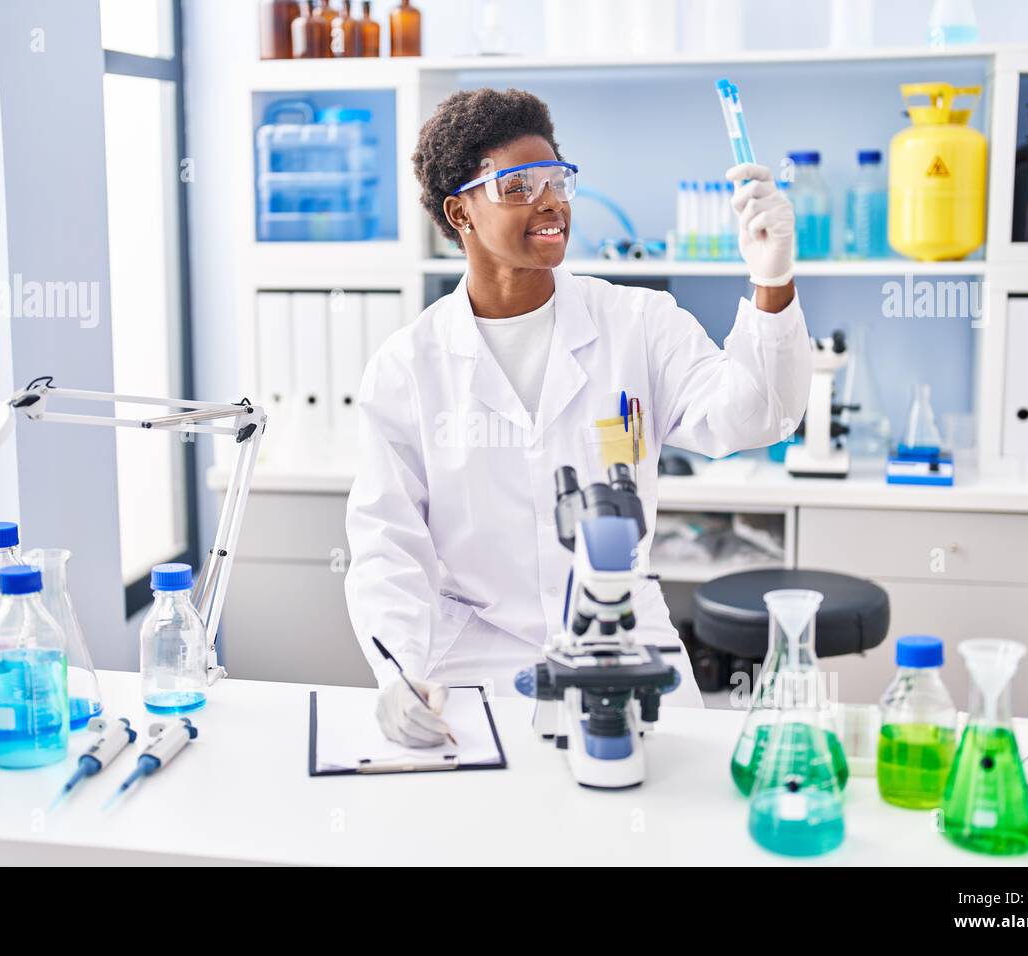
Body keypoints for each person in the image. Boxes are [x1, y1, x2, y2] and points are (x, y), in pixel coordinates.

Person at [345, 88, 811, 747]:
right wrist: (397, 670)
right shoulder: (407, 367)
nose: (550, 202)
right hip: (477, 657)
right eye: (518, 185)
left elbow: (755, 415)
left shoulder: (637, 323)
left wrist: (772, 283)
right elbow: (386, 544)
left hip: (626, 641)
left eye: (557, 179)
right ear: (460, 212)